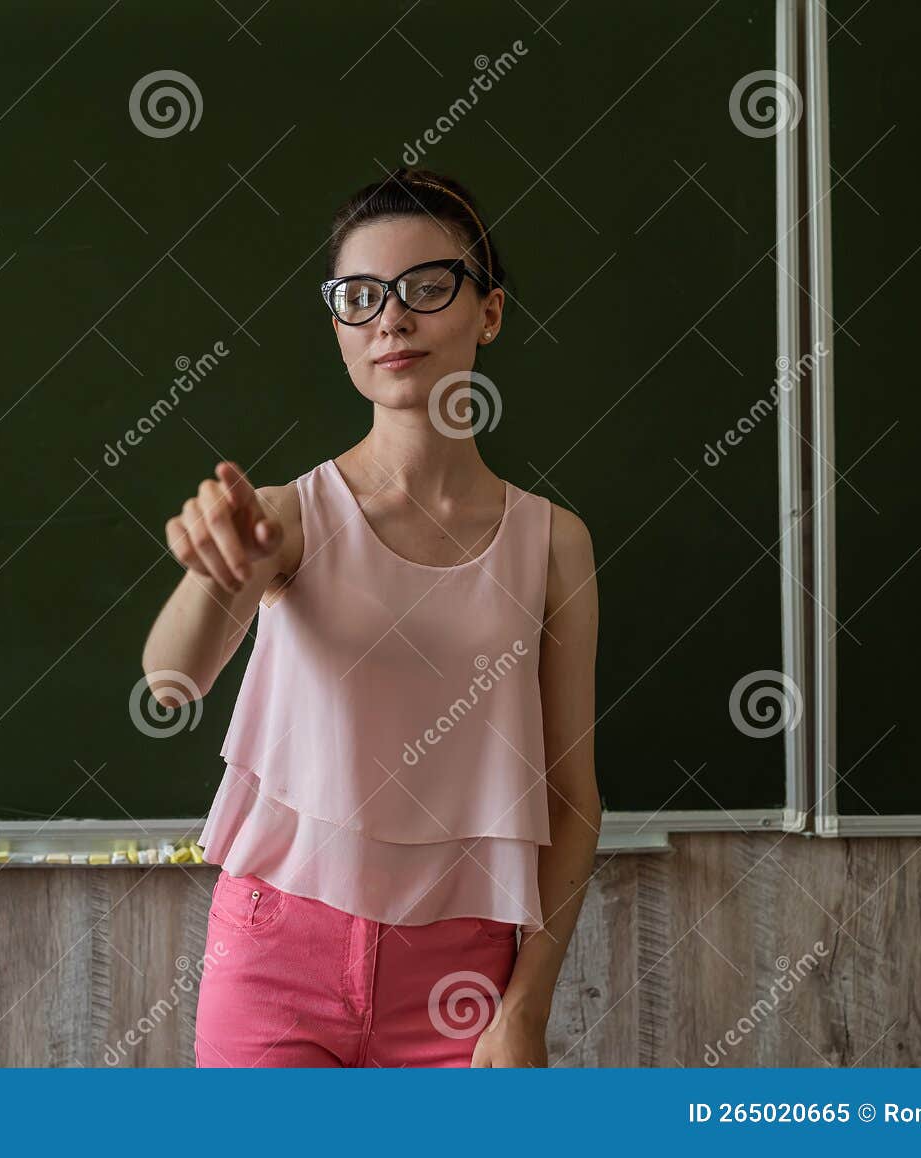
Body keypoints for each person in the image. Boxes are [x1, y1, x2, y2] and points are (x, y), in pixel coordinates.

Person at [141, 168, 601, 1067]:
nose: (392, 318)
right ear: (342, 331)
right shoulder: (288, 518)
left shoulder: (554, 544)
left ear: (490, 313)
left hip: (462, 978)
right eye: (360, 298)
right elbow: (174, 677)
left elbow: (573, 798)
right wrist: (208, 570)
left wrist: (525, 1009)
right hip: (275, 955)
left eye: (428, 288)